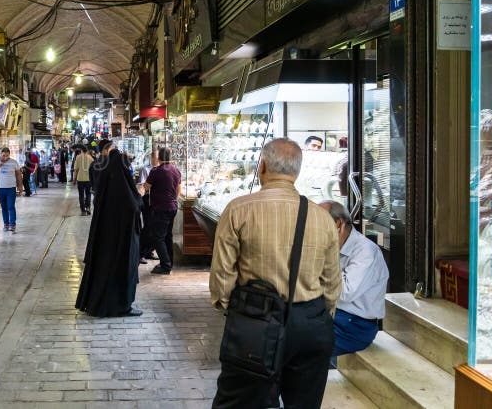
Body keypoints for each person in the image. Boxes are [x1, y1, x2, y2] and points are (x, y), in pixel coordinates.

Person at [209, 138, 341, 409]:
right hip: (310, 324)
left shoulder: (238, 210)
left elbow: (222, 278)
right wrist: (317, 316)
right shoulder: (322, 217)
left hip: (255, 322)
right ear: (297, 171)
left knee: (239, 401)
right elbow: (331, 284)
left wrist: (233, 312)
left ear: (262, 166)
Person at [75, 148, 143, 317]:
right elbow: (133, 207)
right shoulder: (122, 186)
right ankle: (122, 305)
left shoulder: (108, 182)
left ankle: (107, 303)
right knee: (122, 269)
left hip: (107, 241)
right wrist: (139, 195)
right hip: (122, 241)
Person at [320, 200, 389, 358]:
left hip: (355, 325)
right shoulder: (332, 246)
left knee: (302, 343)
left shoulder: (366, 252)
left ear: (339, 225)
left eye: (320, 223)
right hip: (333, 314)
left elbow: (344, 293)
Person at [143, 147, 182, 275]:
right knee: (168, 236)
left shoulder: (156, 171)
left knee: (158, 237)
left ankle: (165, 265)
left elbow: (146, 187)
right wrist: (172, 200)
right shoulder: (176, 171)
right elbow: (178, 190)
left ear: (159, 157)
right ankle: (169, 261)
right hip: (173, 207)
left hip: (160, 208)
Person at [0, 147, 24, 232]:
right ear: (0, 154)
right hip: (1, 188)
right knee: (4, 207)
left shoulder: (14, 162)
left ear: (9, 155)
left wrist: (20, 186)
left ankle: (12, 224)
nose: (5, 157)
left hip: (11, 188)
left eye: (7, 155)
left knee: (11, 206)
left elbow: (18, 175)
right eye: (3, 155)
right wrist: (0, 164)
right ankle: (6, 224)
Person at [138, 150, 160, 264]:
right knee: (147, 227)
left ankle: (149, 251)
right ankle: (140, 253)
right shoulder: (145, 169)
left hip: (157, 201)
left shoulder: (161, 169)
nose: (158, 159)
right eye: (156, 157)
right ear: (152, 158)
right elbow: (142, 186)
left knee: (154, 227)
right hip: (147, 200)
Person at [72, 145, 94, 215]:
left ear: (81, 151)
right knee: (88, 194)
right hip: (88, 180)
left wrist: (74, 179)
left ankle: (83, 211)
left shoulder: (78, 157)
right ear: (87, 151)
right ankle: (88, 208)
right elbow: (93, 170)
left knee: (81, 195)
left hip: (80, 179)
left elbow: (76, 170)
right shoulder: (91, 158)